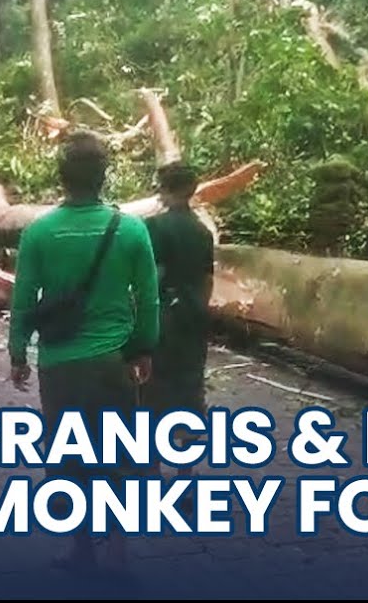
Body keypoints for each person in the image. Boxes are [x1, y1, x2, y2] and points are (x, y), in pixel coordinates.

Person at [7, 131, 160, 576]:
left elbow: (23, 299)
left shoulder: (39, 232)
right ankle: (117, 550)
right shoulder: (131, 229)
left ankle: (81, 549)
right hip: (113, 362)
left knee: (67, 456)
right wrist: (143, 348)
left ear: (62, 178)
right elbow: (148, 299)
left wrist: (18, 353)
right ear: (103, 177)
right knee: (117, 454)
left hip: (59, 365)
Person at [145, 161, 214, 504]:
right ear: (192, 189)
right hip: (193, 318)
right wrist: (198, 309)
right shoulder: (202, 231)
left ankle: (153, 473)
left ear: (163, 188)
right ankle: (185, 477)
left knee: (151, 393)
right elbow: (207, 280)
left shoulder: (154, 227)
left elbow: (153, 275)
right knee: (188, 390)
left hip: (162, 318)